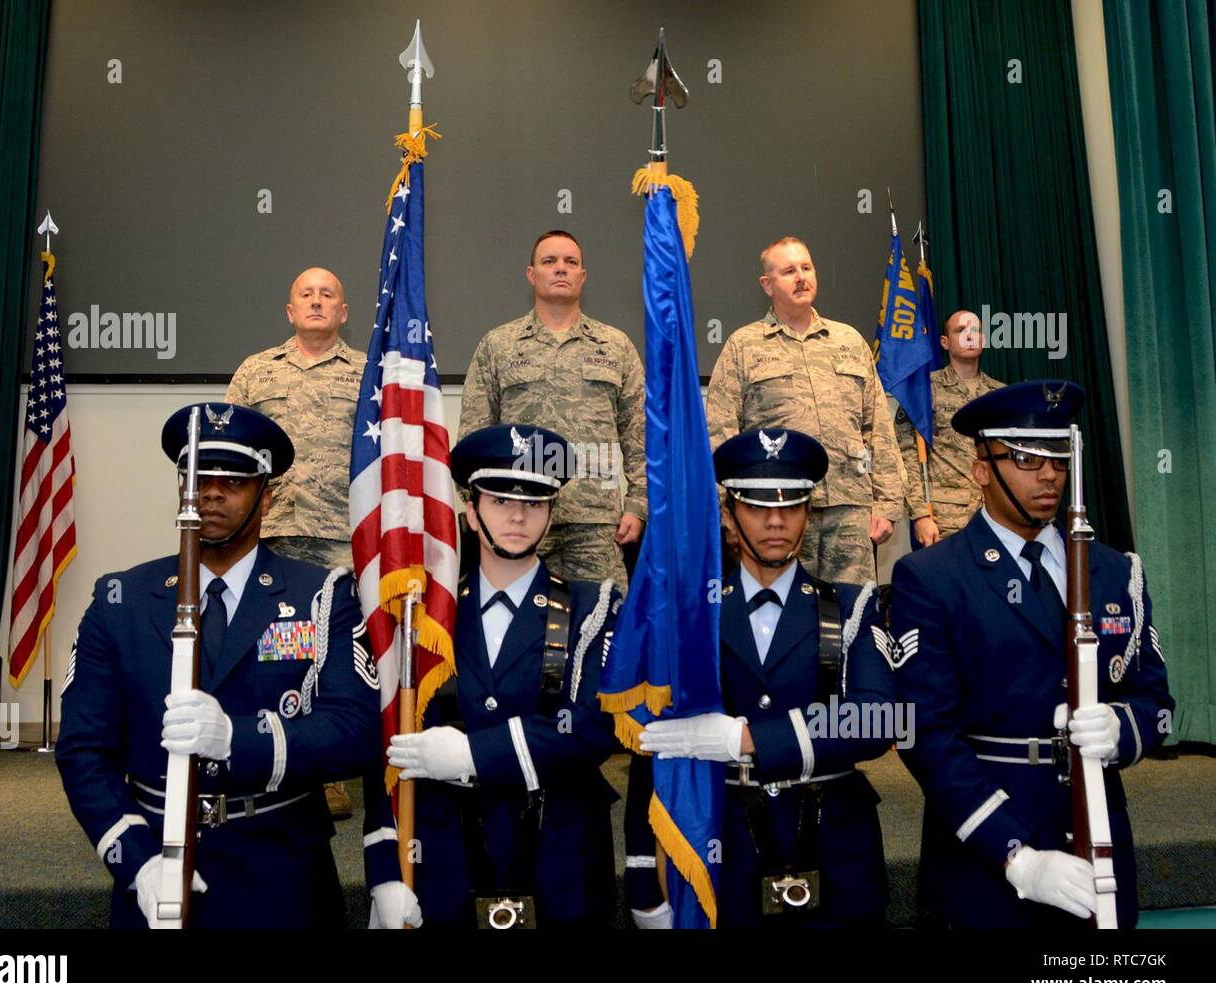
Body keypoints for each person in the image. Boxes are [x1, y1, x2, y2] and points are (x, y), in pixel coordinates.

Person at [55, 403, 384, 928]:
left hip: (282, 871)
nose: (211, 492)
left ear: (266, 498)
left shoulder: (322, 595)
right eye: (198, 477)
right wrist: (135, 862)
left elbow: (358, 731)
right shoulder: (121, 599)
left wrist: (239, 739)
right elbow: (82, 750)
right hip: (156, 858)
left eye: (232, 480)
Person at [889, 381, 1174, 928]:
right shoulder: (934, 577)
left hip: (1097, 834)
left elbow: (1155, 698)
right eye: (1024, 459)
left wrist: (1123, 727)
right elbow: (924, 733)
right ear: (981, 470)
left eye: (1058, 460)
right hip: (986, 845)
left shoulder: (1113, 571)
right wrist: (1014, 853)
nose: (1048, 476)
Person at [636, 427, 896, 928]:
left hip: (833, 842)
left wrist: (747, 738)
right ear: (730, 515)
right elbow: (654, 745)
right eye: (756, 507)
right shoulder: (692, 616)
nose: (775, 521)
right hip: (723, 843)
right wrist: (646, 875)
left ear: (807, 513)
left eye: (791, 505)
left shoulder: (852, 605)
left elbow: (878, 719)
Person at [372, 424, 623, 928]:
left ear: (552, 514)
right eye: (500, 500)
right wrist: (382, 869)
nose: (516, 515)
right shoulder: (422, 616)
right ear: (470, 511)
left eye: (534, 502)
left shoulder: (595, 607)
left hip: (560, 858)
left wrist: (472, 753)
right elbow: (384, 742)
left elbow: (594, 726)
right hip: (448, 860)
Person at [226, 266, 367, 818]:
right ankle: (274, 759)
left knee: (334, 656)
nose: (316, 302)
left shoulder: (367, 372)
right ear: (290, 311)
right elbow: (226, 448)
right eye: (305, 295)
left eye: (327, 294)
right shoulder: (256, 371)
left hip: (344, 537)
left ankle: (330, 773)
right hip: (272, 532)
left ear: (343, 311)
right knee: (277, 651)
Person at [705, 237, 905, 585]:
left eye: (806, 268)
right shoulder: (743, 345)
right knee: (786, 618)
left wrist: (886, 504)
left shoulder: (849, 341)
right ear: (767, 285)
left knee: (853, 615)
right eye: (788, 271)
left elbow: (878, 429)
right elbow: (719, 434)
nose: (801, 277)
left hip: (850, 508)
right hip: (775, 511)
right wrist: (732, 508)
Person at [458, 230, 646, 589]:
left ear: (582, 276)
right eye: (549, 262)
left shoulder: (616, 345)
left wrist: (637, 505)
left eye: (570, 262)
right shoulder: (498, 345)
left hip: (596, 524)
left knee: (603, 622)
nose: (561, 269)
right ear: (532, 274)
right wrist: (479, 508)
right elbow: (473, 435)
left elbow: (640, 435)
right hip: (517, 515)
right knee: (519, 627)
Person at [895, 309, 1004, 545]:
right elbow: (907, 456)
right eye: (960, 330)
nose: (969, 336)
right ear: (945, 342)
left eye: (974, 330)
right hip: (945, 519)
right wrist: (921, 515)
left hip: (996, 515)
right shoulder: (925, 391)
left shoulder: (1001, 395)